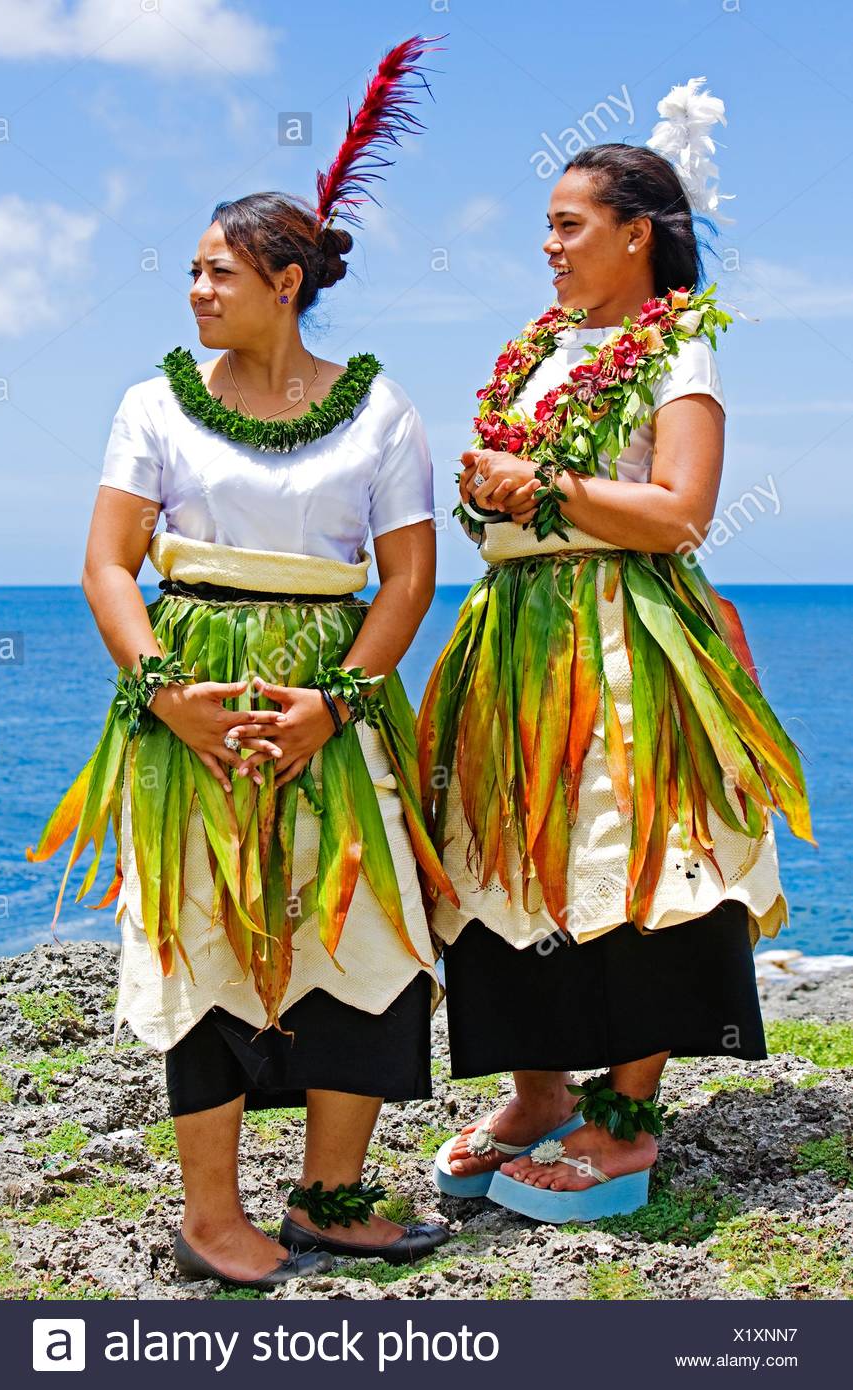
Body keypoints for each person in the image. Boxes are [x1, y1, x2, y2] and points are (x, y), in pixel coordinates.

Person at [27, 39, 454, 1288]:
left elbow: (410, 575)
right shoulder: (151, 403)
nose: (197, 290)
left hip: (336, 693)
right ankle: (211, 1214)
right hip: (191, 689)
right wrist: (169, 693)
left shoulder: (378, 409)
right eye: (196, 272)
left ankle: (327, 1194)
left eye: (218, 272)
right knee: (200, 934)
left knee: (364, 933)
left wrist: (339, 703)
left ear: (284, 281)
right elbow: (110, 563)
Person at [418, 104, 815, 1223]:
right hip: (513, 637)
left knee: (639, 851)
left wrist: (536, 488)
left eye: (566, 225)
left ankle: (626, 1118)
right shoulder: (541, 350)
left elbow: (680, 510)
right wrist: (490, 492)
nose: (546, 246)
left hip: (623, 638)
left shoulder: (677, 344)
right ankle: (537, 1091)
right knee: (503, 849)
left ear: (636, 232)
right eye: (543, 228)